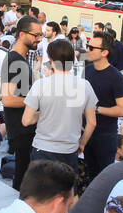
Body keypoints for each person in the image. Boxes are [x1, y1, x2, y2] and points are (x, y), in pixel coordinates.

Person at [24, 39, 97, 168]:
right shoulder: (85, 85)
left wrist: (42, 113)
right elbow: (92, 123)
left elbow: (26, 120)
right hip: (69, 150)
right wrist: (82, 143)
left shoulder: (40, 85)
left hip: (43, 148)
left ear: (51, 59)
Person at [81, 30, 123, 183]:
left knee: (102, 180)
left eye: (91, 48)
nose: (87, 50)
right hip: (85, 133)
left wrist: (95, 109)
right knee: (88, 175)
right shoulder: (87, 70)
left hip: (105, 136)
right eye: (88, 46)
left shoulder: (116, 77)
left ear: (104, 52)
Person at [1, 15, 41, 189]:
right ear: (22, 34)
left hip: (23, 128)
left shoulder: (18, 59)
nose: (39, 39)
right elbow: (8, 100)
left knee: (25, 174)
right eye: (36, 35)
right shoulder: (15, 60)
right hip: (22, 130)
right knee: (23, 177)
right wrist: (39, 102)